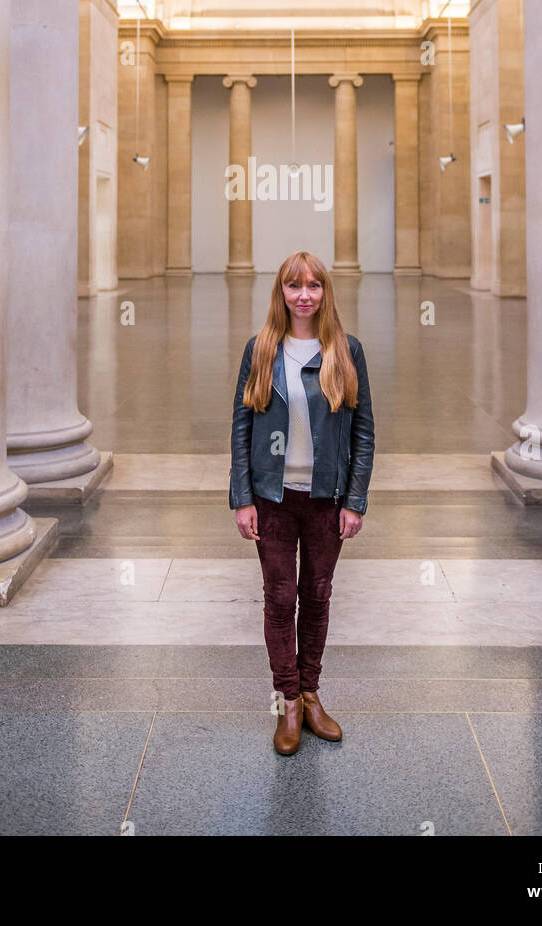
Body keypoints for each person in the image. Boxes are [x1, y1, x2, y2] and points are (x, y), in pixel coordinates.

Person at [229, 249, 375, 755]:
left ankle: (312, 693)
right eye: (295, 286)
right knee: (279, 598)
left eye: (314, 286)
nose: (305, 295)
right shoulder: (262, 349)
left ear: (325, 293)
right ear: (282, 293)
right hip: (272, 497)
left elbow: (363, 431)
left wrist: (354, 500)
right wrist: (241, 497)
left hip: (325, 499)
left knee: (316, 595)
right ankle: (287, 699)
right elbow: (242, 426)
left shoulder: (345, 350)